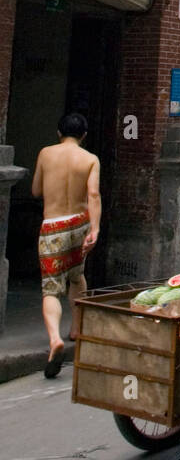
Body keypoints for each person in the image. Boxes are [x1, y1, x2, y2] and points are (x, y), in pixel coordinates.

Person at [31, 113, 100, 378]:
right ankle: (76, 326)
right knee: (76, 275)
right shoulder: (90, 159)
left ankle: (54, 339)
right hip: (80, 223)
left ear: (59, 132)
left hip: (53, 226)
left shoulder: (46, 154)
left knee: (51, 287)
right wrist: (94, 228)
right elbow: (93, 194)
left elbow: (36, 190)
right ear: (84, 135)